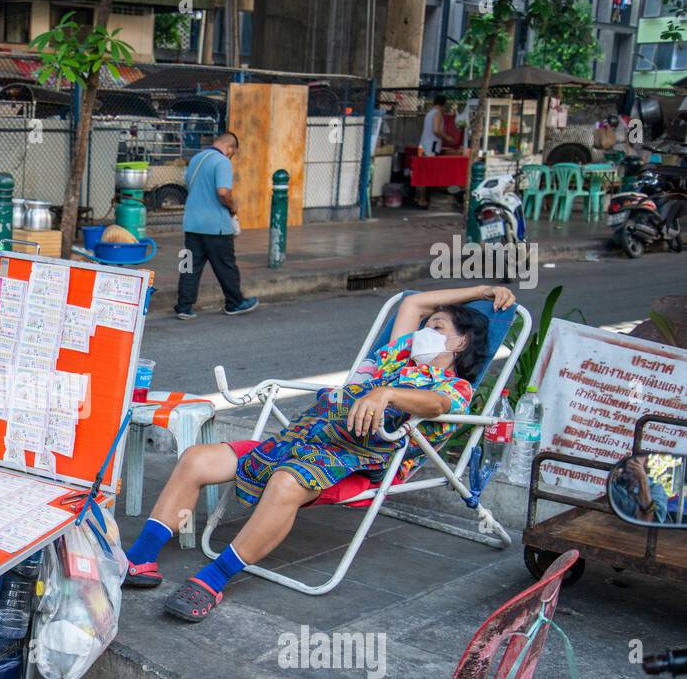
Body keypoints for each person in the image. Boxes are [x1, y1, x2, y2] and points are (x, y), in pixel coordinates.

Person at [123, 284, 515, 623]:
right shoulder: (395, 355)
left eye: (437, 328)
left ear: (461, 342)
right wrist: (481, 293)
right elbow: (413, 304)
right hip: (301, 438)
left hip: (357, 459)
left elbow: (434, 405)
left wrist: (387, 393)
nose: (424, 332)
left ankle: (212, 580)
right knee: (195, 459)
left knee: (286, 481)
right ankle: (139, 559)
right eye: (429, 325)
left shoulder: (454, 386)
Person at [175, 130, 258, 320]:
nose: (231, 156)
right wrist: (233, 205)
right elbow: (222, 192)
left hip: (192, 224)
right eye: (233, 153)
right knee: (226, 266)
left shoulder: (196, 159)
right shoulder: (222, 162)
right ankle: (235, 303)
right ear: (229, 148)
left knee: (188, 266)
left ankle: (183, 306)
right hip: (215, 226)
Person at [609, 455, 669, 523]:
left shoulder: (655, 489)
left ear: (646, 461)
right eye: (625, 463)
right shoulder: (615, 484)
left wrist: (642, 479)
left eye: (634, 462)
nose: (629, 465)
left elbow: (649, 521)